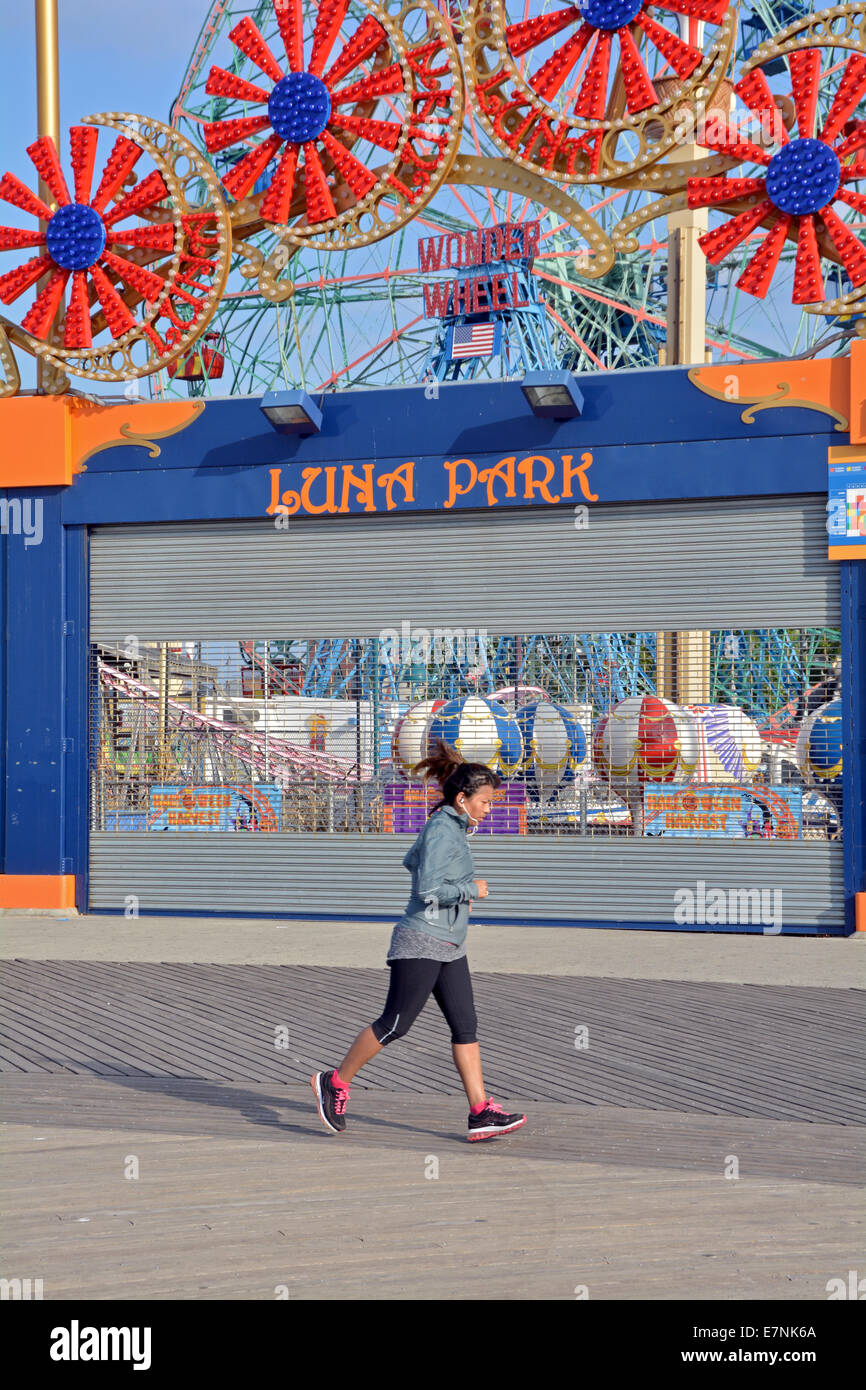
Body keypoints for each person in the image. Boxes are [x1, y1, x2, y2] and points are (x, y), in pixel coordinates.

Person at [311, 739, 527, 1143]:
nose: (489, 807)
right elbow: (427, 889)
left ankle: (480, 1111)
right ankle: (335, 1082)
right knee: (395, 1023)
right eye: (485, 800)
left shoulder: (447, 826)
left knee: (466, 1026)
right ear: (463, 799)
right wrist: (469, 890)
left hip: (450, 944)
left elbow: (411, 860)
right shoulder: (443, 830)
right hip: (422, 940)